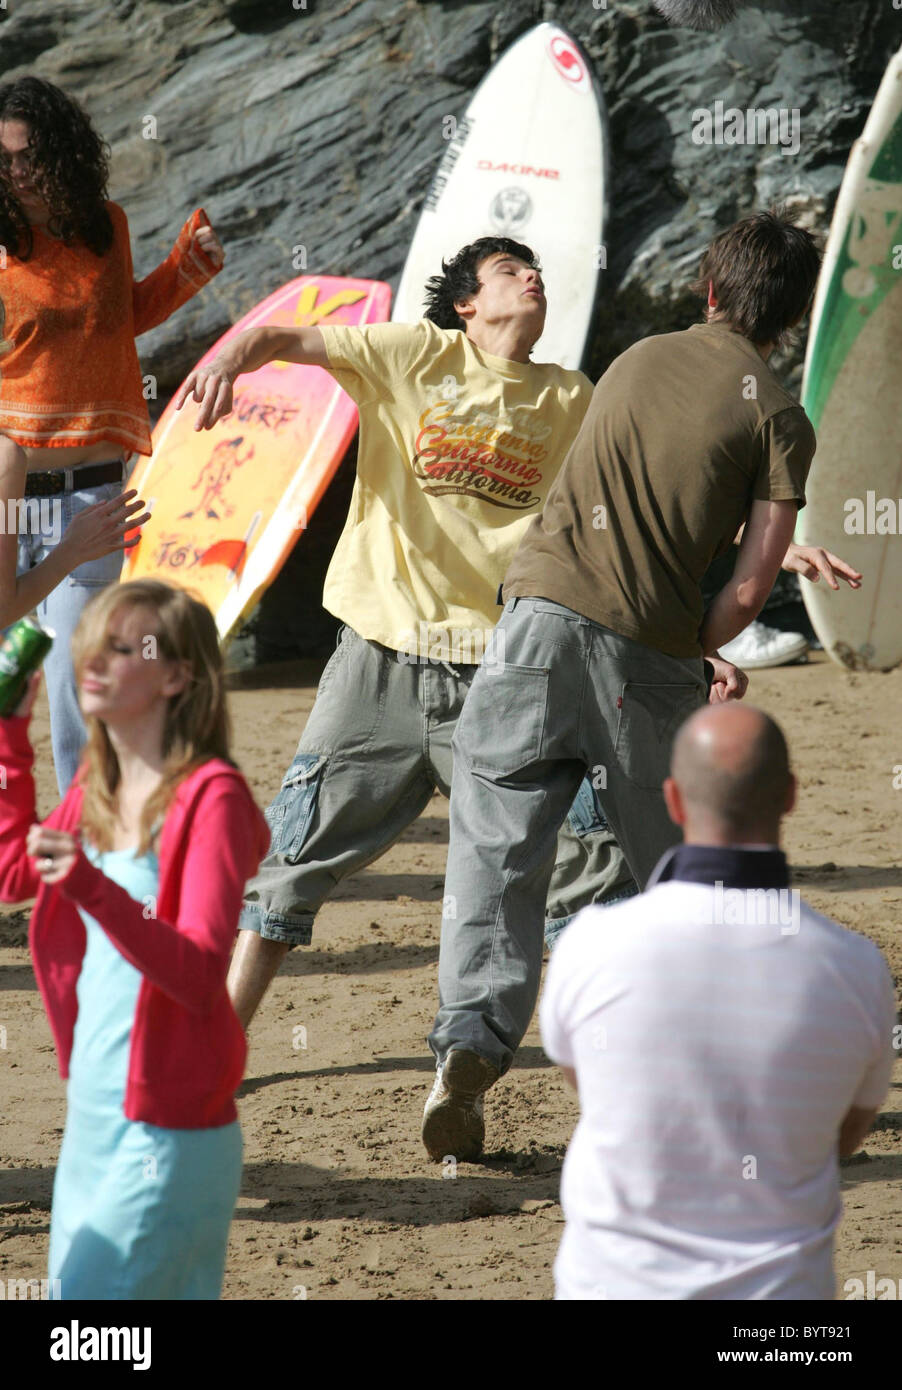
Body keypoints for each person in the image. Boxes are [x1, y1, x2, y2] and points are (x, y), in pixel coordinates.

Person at [422, 208, 863, 1162]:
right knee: (680, 877)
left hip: (531, 625)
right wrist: (693, 647)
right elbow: (750, 582)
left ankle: (468, 1043)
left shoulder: (632, 359)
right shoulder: (779, 416)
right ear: (787, 320)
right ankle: (721, 1077)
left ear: (709, 290)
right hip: (644, 661)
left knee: (496, 853)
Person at [175, 235, 640, 1029]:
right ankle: (216, 1044)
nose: (533, 277)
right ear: (467, 304)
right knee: (291, 859)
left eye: (536, 269)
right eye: (508, 271)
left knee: (576, 868)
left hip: (501, 681)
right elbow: (283, 337)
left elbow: (640, 498)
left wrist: (760, 542)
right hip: (375, 671)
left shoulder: (572, 397)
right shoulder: (412, 355)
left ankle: (613, 1048)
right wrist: (229, 358)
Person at [540, 704, 896, 1299]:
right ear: (789, 796)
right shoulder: (858, 968)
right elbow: (840, 1136)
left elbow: (593, 1087)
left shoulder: (591, 942)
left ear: (674, 800)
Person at [0, 579, 270, 1299]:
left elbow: (201, 970)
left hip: (165, 1134)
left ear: (178, 675)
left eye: (122, 649)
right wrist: (9, 745)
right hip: (90, 1119)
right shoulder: (98, 784)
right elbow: (10, 873)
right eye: (92, 645)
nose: (93, 663)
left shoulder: (214, 799)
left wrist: (92, 884)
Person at [0, 75, 224, 793]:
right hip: (4, 494)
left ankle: (88, 866)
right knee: (7, 701)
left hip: (87, 501)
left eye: (28, 156)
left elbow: (114, 324)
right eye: (2, 160)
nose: (15, 172)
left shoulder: (107, 227)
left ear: (62, 153)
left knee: (80, 700)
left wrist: (188, 268)